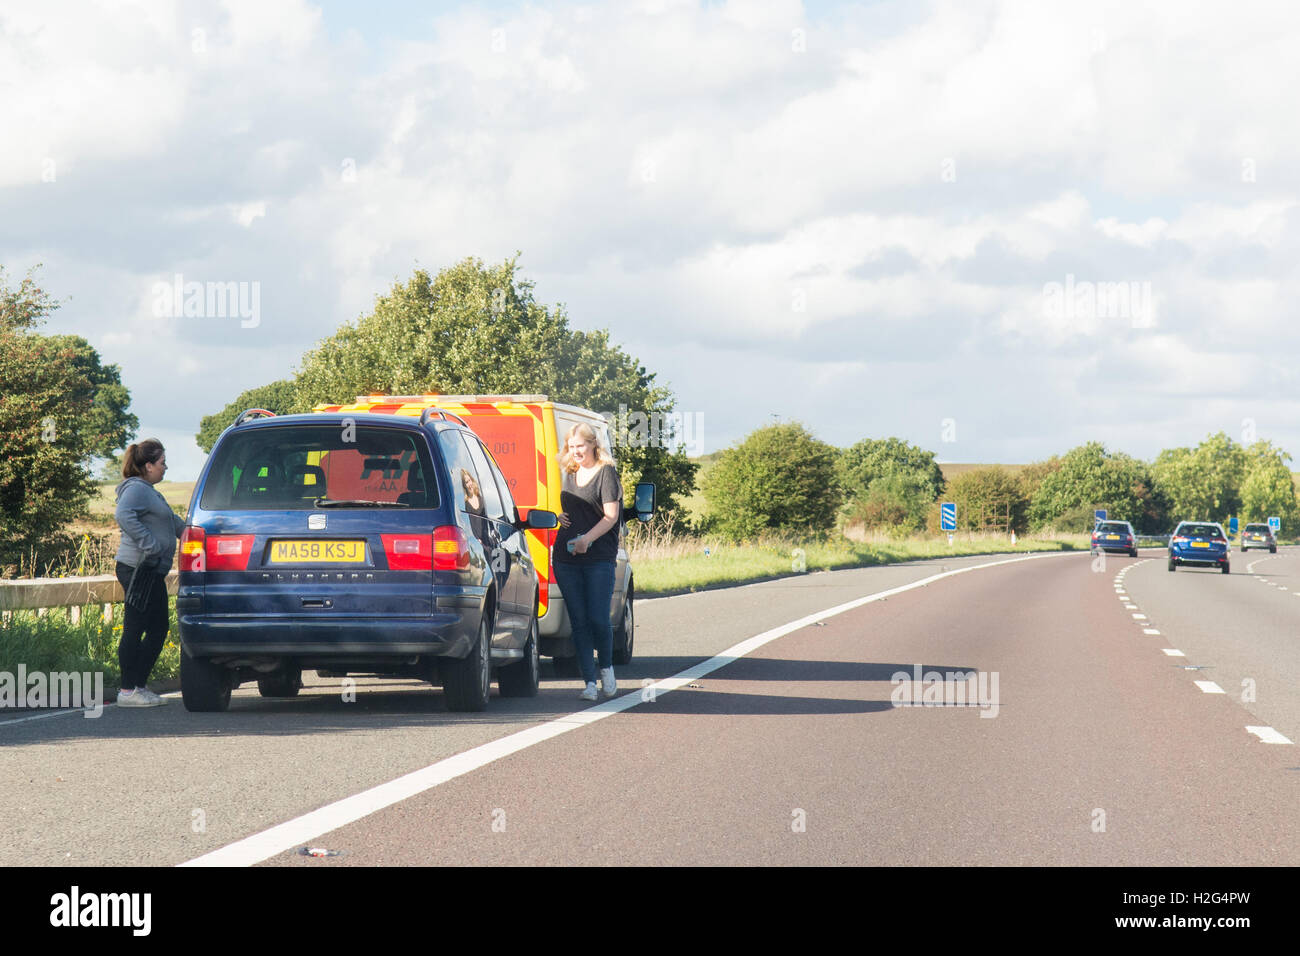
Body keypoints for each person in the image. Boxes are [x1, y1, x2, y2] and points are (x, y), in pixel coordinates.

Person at [552, 424, 623, 701]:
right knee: (578, 621)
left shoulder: (606, 473)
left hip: (598, 558)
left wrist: (586, 540)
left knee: (597, 618)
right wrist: (560, 517)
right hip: (566, 558)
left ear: (593, 444)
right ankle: (590, 683)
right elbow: (573, 510)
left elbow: (611, 517)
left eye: (580, 446)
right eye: (571, 447)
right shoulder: (569, 474)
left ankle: (606, 669)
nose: (576, 451)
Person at [113, 439, 184, 707]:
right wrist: (150, 545)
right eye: (162, 463)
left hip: (152, 570)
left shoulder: (151, 492)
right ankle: (128, 691)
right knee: (136, 627)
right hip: (138, 569)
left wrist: (207, 531)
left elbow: (176, 525)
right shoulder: (137, 490)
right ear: (148, 465)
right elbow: (123, 515)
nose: (166, 468)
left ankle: (138, 686)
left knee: (158, 628)